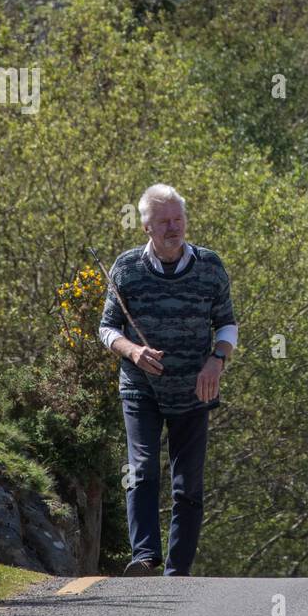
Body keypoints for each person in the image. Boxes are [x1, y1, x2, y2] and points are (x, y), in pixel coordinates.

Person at [98, 184, 237, 577]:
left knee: (187, 484)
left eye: (178, 219)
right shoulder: (125, 268)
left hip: (195, 389)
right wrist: (133, 352)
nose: (173, 228)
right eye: (164, 221)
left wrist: (216, 361)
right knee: (141, 470)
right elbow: (107, 329)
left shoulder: (210, 267)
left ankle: (177, 573)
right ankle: (144, 557)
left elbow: (226, 323)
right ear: (146, 226)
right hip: (140, 388)